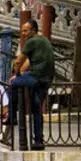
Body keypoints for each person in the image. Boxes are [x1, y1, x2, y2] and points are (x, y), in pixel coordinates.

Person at [9, 18, 54, 150]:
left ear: (33, 30)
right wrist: (23, 74)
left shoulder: (31, 42)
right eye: (22, 30)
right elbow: (29, 61)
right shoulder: (44, 40)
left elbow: (19, 61)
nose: (23, 33)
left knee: (13, 84)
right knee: (36, 108)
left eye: (25, 31)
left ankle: (13, 116)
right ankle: (38, 140)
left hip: (36, 77)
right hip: (47, 78)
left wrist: (16, 74)